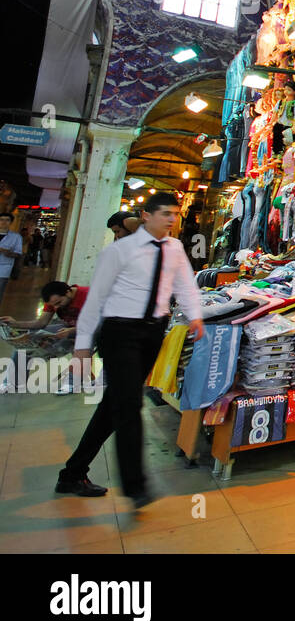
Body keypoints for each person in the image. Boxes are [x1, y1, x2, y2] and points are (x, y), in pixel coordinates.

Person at [57, 193, 205, 504]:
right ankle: (136, 486)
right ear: (145, 215)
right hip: (119, 332)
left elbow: (185, 285)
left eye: (175, 214)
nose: (171, 219)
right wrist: (82, 345)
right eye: (165, 213)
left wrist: (195, 316)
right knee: (127, 407)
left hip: (152, 333)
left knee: (113, 408)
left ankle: (72, 474)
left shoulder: (175, 248)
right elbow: (96, 297)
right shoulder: (119, 251)